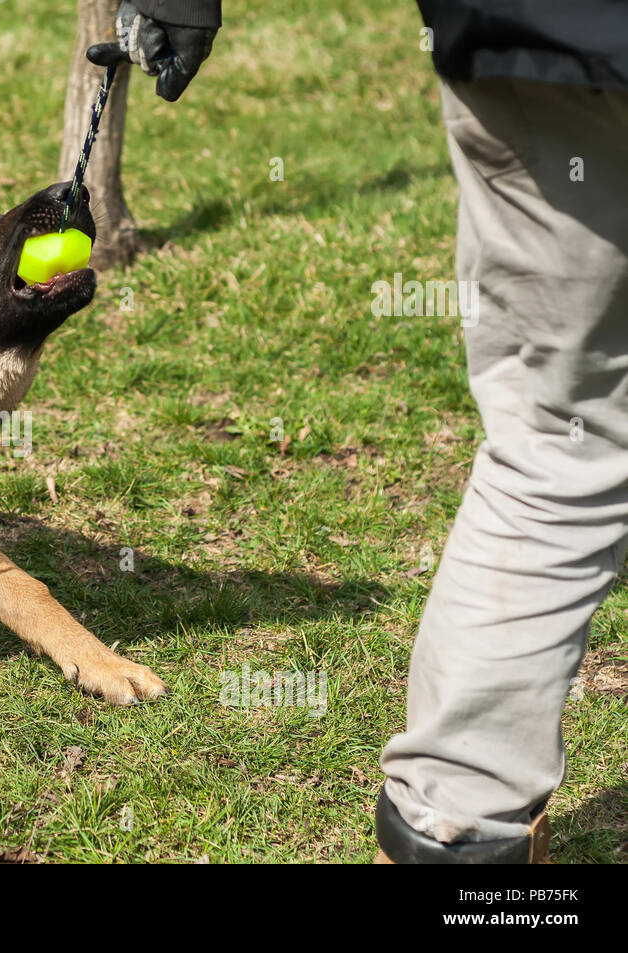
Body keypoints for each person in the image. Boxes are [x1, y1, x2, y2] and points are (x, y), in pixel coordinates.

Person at [92, 0, 628, 864]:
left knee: (554, 443)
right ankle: (463, 836)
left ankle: (455, 823)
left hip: (526, 41)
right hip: (560, 43)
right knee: (560, 444)